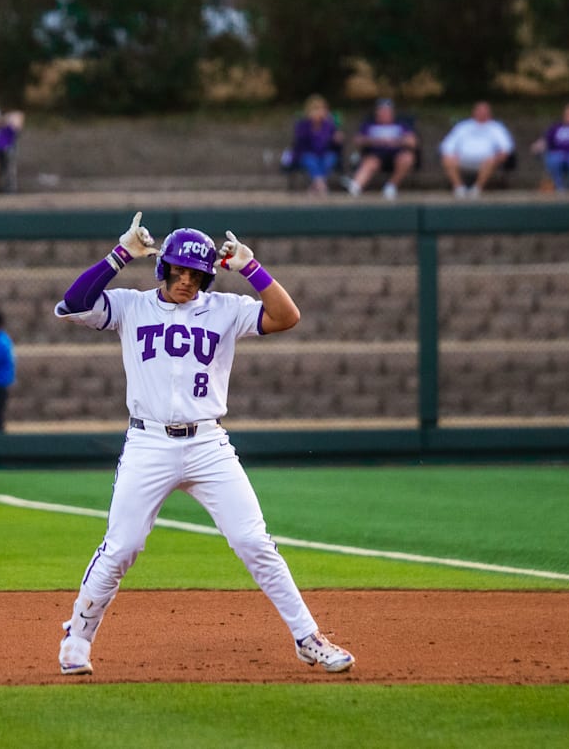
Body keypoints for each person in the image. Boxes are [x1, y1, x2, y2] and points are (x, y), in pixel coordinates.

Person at [53, 212, 355, 677]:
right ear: (164, 268)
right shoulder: (132, 306)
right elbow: (73, 303)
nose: (187, 280)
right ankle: (77, 637)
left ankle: (307, 637)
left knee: (253, 541)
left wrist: (253, 269)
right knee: (123, 546)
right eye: (179, 270)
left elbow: (286, 316)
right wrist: (121, 254)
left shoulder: (225, 309)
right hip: (148, 442)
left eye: (196, 274)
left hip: (207, 442)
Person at [342, 98, 417, 199]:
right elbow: (357, 140)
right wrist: (375, 141)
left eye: (387, 111)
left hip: (397, 154)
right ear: (376, 112)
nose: (384, 113)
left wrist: (396, 141)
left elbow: (413, 142)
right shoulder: (369, 124)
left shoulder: (401, 124)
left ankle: (391, 186)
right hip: (376, 154)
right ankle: (355, 186)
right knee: (371, 162)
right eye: (381, 111)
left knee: (407, 158)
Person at [440, 101, 515, 198]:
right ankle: (459, 188)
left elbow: (506, 146)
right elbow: (447, 144)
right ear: (474, 112)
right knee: (446, 159)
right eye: (479, 110)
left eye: (485, 111)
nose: (482, 113)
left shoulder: (496, 127)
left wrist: (500, 155)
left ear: (489, 113)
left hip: (487, 161)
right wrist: (450, 154)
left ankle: (477, 189)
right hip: (461, 159)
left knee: (492, 160)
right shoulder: (463, 126)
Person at [286, 94, 343, 195]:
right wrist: (313, 127)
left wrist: (337, 139)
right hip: (307, 154)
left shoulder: (329, 125)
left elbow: (336, 147)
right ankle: (321, 186)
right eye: (317, 109)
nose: (320, 112)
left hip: (324, 154)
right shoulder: (303, 125)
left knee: (330, 158)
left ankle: (316, 185)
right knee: (310, 159)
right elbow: (301, 143)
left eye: (322, 109)